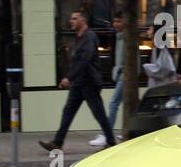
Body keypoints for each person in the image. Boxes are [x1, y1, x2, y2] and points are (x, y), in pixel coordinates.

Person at [40, 9, 116, 152]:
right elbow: (76, 62)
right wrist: (70, 78)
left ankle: (111, 142)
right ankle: (57, 142)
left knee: (98, 114)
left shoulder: (89, 37)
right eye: (71, 19)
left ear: (83, 20)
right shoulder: (79, 38)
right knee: (67, 112)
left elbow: (84, 60)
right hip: (78, 84)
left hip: (89, 83)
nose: (71, 21)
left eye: (75, 18)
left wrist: (69, 78)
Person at [90, 10, 125, 147]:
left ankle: (107, 134)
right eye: (115, 21)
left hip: (124, 76)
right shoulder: (119, 37)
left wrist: (118, 71)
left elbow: (129, 61)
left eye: (119, 21)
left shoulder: (125, 38)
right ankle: (131, 131)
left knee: (113, 104)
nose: (116, 24)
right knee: (130, 105)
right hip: (121, 76)